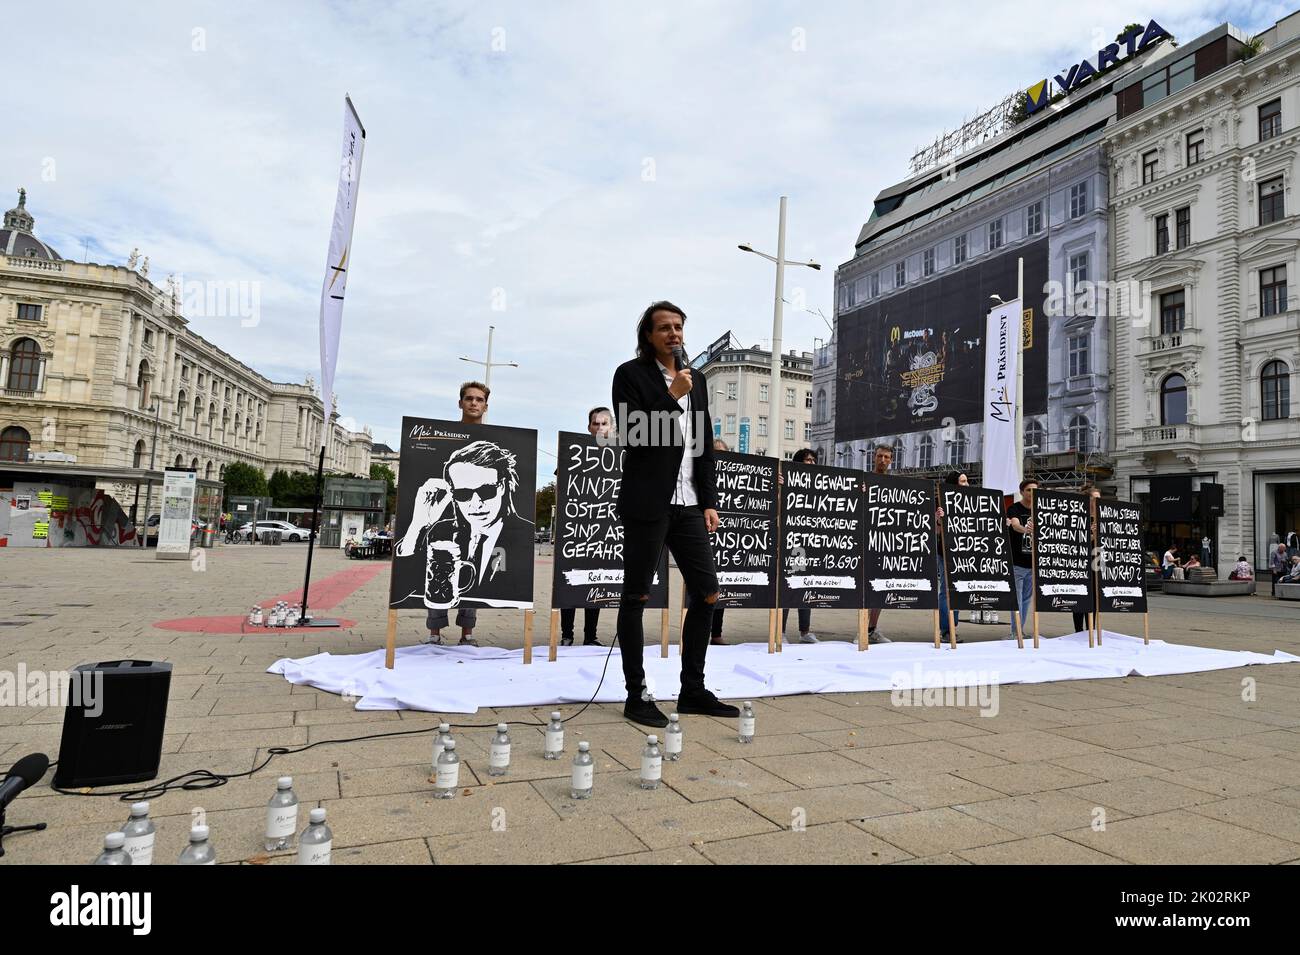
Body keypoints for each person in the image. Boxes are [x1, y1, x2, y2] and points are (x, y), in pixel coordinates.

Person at [612, 301, 738, 727]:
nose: (674, 334)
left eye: (679, 327)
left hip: (688, 505)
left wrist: (709, 500)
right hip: (649, 502)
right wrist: (670, 397)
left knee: (707, 593)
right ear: (648, 335)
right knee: (637, 597)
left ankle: (693, 690)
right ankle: (636, 694)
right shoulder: (630, 375)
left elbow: (702, 444)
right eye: (664, 328)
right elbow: (632, 436)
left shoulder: (697, 380)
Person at [401, 381, 492, 646]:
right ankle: (434, 633)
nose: (474, 403)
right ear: (460, 402)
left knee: (469, 565)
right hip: (445, 511)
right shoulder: (446, 436)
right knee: (437, 568)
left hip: (473, 517)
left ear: (486, 405)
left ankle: (467, 633)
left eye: (479, 399)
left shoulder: (494, 438)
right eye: (469, 398)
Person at [559, 406, 616, 647]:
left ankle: (590, 635)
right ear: (588, 427)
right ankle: (566, 634)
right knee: (570, 584)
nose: (600, 428)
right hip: (575, 529)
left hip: (603, 530)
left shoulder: (619, 456)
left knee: (595, 583)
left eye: (605, 423)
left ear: (612, 428)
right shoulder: (575, 452)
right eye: (596, 423)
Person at [780, 448, 820, 644]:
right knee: (788, 586)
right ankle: (781, 630)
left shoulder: (819, 486)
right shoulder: (788, 483)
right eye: (807, 460)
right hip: (791, 541)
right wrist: (779, 487)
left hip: (810, 542)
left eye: (813, 460)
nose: (810, 463)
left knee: (806, 585)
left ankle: (805, 631)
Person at [865, 444, 895, 644]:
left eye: (886, 457)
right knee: (866, 590)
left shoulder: (895, 485)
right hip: (867, 540)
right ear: (873, 458)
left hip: (887, 542)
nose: (882, 460)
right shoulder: (865, 480)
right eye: (879, 456)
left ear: (891, 460)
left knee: (881, 589)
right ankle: (862, 628)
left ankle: (872, 629)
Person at [936, 470, 968, 644]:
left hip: (964, 553)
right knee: (947, 591)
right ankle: (947, 629)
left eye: (966, 481)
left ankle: (951, 627)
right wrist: (939, 520)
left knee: (957, 590)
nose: (966, 485)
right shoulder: (941, 501)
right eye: (963, 482)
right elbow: (936, 530)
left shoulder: (971, 502)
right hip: (946, 551)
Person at [1006, 478, 1037, 639]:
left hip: (1032, 563)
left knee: (1026, 599)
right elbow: (1015, 525)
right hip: (1017, 562)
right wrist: (1026, 529)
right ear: (1022, 492)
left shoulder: (1040, 509)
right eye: (1029, 490)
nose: (1032, 493)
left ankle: (1020, 630)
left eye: (1035, 490)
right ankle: (1015, 630)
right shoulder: (1014, 508)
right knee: (1016, 600)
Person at [1073, 483, 1102, 636]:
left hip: (1097, 559)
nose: (1098, 501)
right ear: (1088, 500)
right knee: (1081, 595)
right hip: (1081, 561)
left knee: (1095, 597)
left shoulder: (1101, 516)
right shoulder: (1079, 518)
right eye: (1095, 498)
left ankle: (1092, 627)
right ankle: (1078, 630)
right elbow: (1075, 541)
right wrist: (1092, 534)